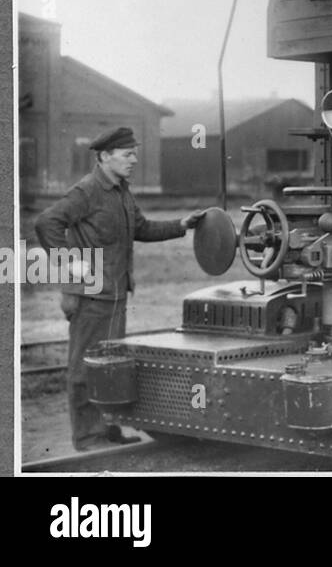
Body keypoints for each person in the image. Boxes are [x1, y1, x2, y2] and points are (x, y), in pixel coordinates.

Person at [34, 126, 206, 451]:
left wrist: (181, 225)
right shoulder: (87, 191)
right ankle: (88, 438)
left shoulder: (121, 191)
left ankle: (108, 432)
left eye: (134, 153)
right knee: (85, 368)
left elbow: (141, 228)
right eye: (128, 154)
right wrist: (73, 268)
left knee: (110, 367)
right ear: (104, 157)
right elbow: (47, 223)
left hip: (115, 296)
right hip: (91, 297)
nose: (135, 160)